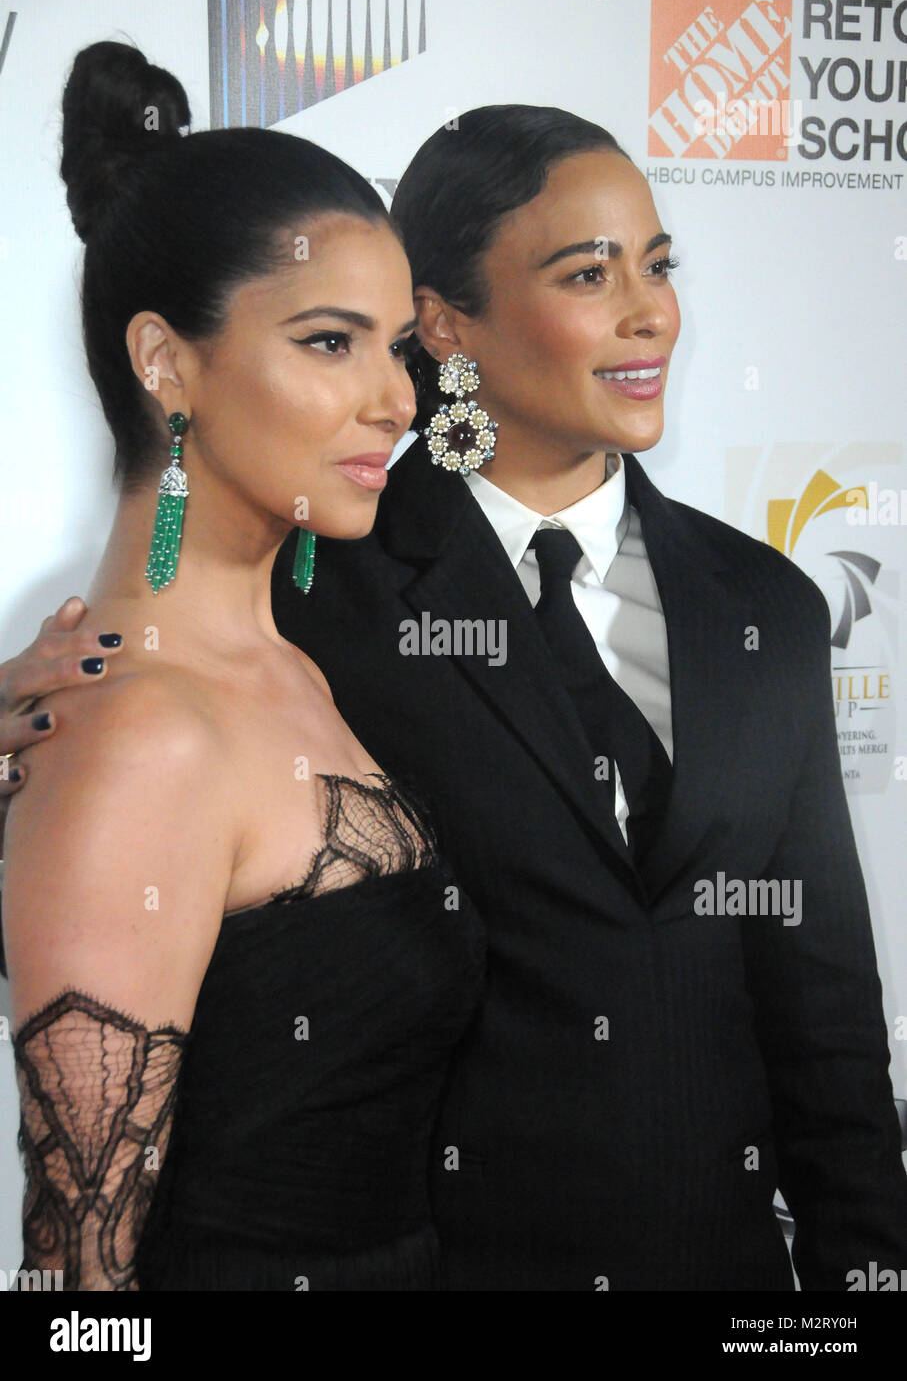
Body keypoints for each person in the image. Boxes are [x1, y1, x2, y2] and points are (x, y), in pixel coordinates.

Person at [4, 101, 906, 1291]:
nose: (648, 312)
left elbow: (828, 1029)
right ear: (450, 323)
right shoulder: (323, 599)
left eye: (658, 264)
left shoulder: (769, 609)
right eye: (587, 272)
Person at [0, 42, 485, 1291]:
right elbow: (76, 1282)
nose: (394, 399)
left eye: (395, 347)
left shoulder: (298, 667)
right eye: (331, 343)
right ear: (166, 364)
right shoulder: (141, 733)